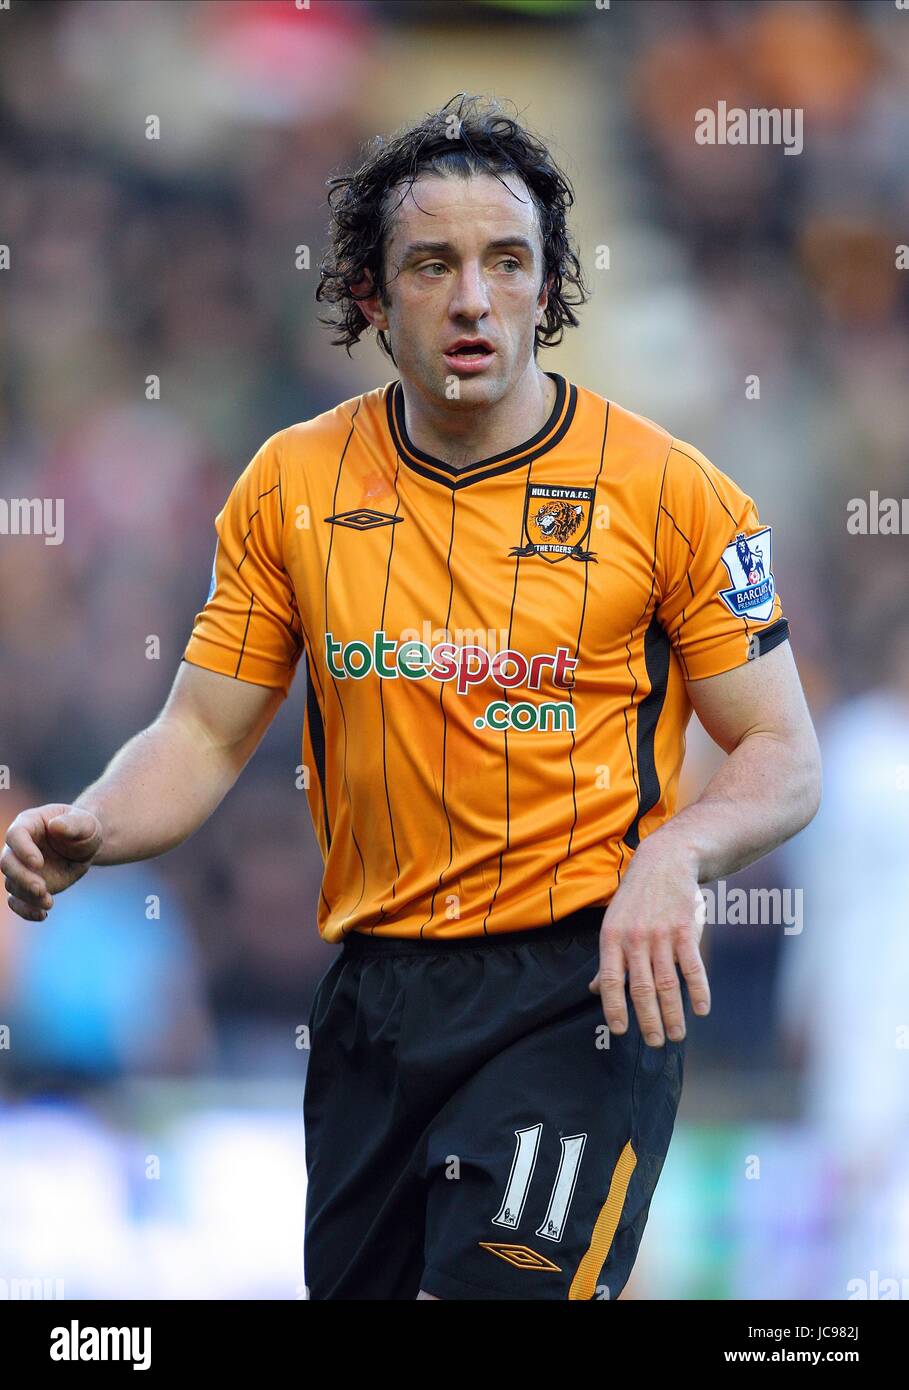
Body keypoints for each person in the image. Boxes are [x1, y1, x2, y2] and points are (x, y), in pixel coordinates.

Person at [2, 95, 821, 1301]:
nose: (474, 298)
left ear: (548, 290)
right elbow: (202, 729)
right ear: (373, 299)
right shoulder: (293, 484)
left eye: (507, 263)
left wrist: (678, 855)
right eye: (432, 265)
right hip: (376, 1003)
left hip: (582, 987)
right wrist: (96, 822)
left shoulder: (674, 495)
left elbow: (781, 753)